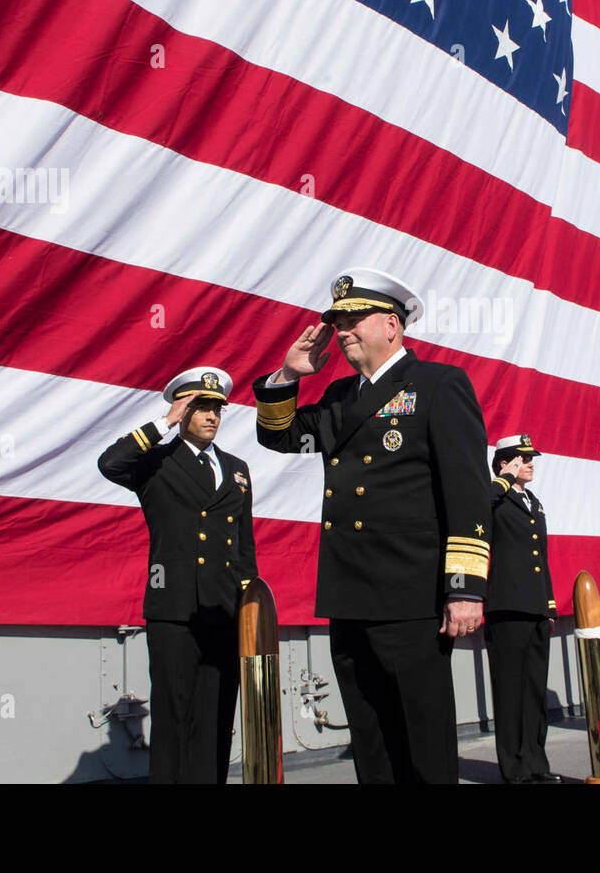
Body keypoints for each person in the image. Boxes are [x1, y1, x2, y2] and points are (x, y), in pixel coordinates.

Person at [251, 268, 491, 784]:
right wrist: (289, 376)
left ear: (391, 324)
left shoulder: (438, 385)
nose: (342, 331)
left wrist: (466, 588)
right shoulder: (340, 397)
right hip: (349, 590)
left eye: (354, 319)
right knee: (370, 735)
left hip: (412, 593)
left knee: (420, 734)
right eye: (338, 322)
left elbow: (467, 492)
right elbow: (281, 438)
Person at [97, 367, 257, 784]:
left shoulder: (237, 468)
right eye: (200, 407)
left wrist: (248, 605)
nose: (211, 416)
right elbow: (109, 463)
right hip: (176, 607)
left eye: (217, 408)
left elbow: (243, 546)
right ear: (182, 410)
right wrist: (163, 423)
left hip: (223, 609)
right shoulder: (157, 463)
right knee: (173, 713)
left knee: (218, 712)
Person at [485, 434, 560, 784]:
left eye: (532, 458)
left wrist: (549, 604)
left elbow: (539, 557)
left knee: (533, 690)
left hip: (534, 607)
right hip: (506, 606)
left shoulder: (533, 500)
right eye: (523, 458)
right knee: (510, 691)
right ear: (504, 462)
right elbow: (476, 507)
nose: (530, 464)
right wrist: (500, 479)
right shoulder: (494, 496)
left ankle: (536, 764)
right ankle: (514, 770)